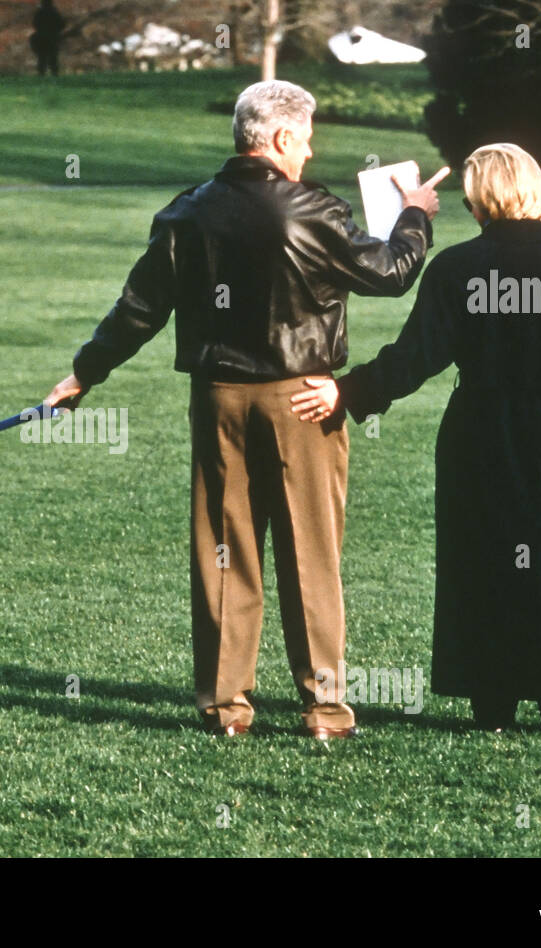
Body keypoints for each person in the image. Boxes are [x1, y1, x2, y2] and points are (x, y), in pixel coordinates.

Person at [44, 80, 448, 738]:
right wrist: (416, 215)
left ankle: (225, 706)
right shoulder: (312, 211)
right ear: (282, 137)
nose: (310, 154)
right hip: (303, 401)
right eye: (307, 141)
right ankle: (323, 709)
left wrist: (84, 373)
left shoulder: (187, 211)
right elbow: (391, 274)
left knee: (225, 552)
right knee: (310, 555)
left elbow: (138, 311)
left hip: (218, 398)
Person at [291, 143, 541, 735]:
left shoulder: (458, 268)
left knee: (483, 562)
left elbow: (417, 357)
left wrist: (350, 392)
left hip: (481, 429)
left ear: (478, 197)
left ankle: (491, 701)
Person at [31, 0, 64, 76]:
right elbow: (61, 24)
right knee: (53, 58)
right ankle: (54, 74)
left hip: (41, 38)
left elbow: (35, 24)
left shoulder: (39, 13)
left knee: (42, 57)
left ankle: (41, 74)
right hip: (53, 38)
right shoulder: (54, 12)